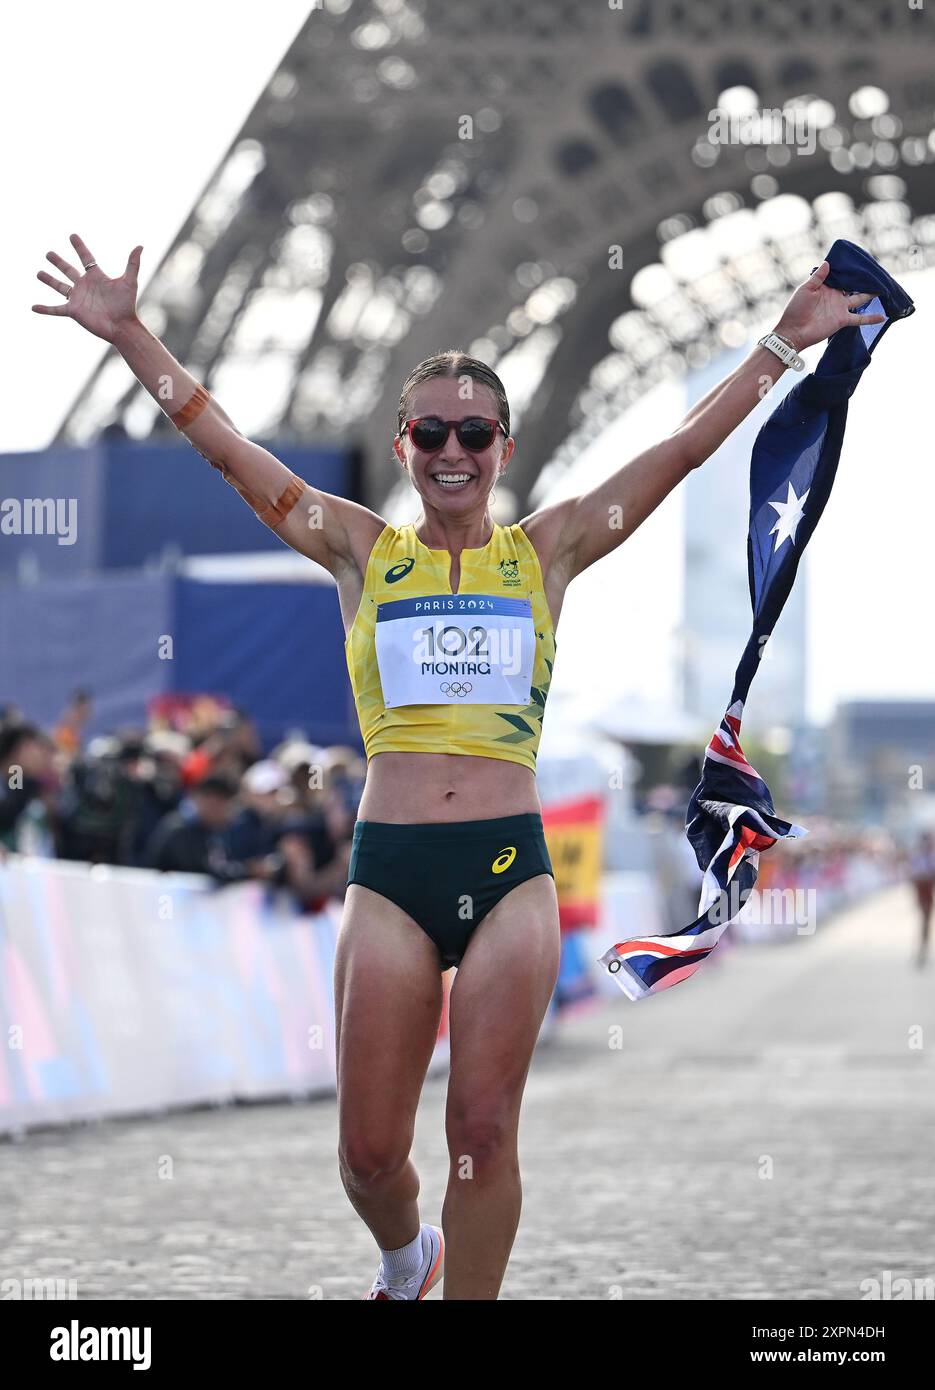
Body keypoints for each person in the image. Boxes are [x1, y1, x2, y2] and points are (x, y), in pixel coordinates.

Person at [33, 232, 884, 1300]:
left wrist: (776, 347)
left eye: (472, 432)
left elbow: (677, 453)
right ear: (401, 444)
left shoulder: (546, 551)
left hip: (505, 872)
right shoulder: (356, 550)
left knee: (481, 1126)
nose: (452, 448)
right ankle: (406, 1258)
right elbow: (225, 446)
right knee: (368, 1156)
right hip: (389, 873)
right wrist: (128, 335)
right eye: (430, 429)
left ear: (502, 447)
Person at [908, 830, 935, 969]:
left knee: (927, 921)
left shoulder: (932, 855)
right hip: (922, 891)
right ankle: (922, 949)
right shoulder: (917, 856)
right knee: (924, 920)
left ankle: (924, 948)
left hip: (929, 890)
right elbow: (914, 874)